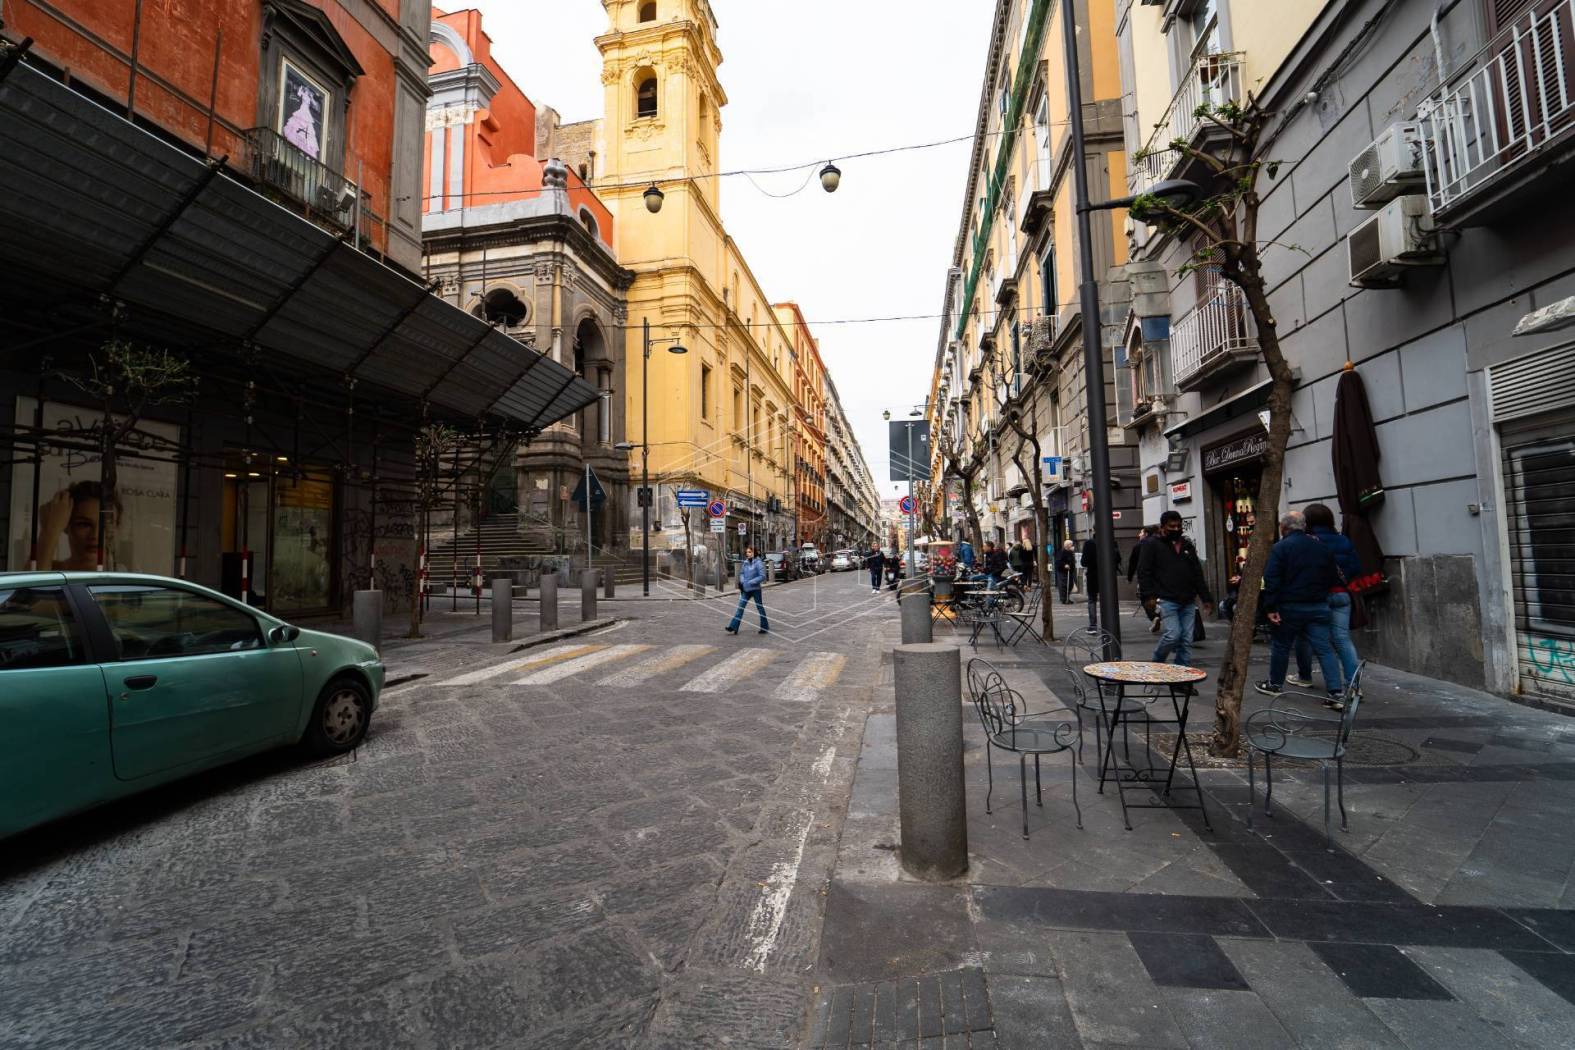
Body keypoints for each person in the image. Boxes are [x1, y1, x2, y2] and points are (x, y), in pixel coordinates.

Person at [1256, 510, 1347, 708]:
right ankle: (1336, 693)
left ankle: (1275, 684)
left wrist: (1270, 607)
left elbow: (1272, 579)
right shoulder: (1320, 546)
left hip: (1290, 605)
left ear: (1283, 527)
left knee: (1281, 645)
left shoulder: (1280, 548)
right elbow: (1333, 576)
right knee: (1324, 649)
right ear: (1304, 526)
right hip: (1318, 605)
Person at [1292, 502, 1363, 691]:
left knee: (1306, 638)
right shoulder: (1343, 540)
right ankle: (1353, 685)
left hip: (1317, 597)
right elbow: (1356, 567)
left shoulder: (1307, 541)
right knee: (1342, 639)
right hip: (1342, 594)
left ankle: (1305, 676)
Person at [1138, 511, 1214, 666]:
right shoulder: (1151, 544)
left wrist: (1206, 598)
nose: (1176, 529)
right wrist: (1148, 596)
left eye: (1179, 526)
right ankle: (1157, 664)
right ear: (1162, 527)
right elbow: (1144, 571)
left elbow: (1196, 573)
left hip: (1188, 600)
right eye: (1171, 526)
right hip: (1167, 599)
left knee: (1186, 640)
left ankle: (1182, 673)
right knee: (1173, 635)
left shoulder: (1187, 545)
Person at [32, 480, 112, 571]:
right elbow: (32, 578)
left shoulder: (123, 574)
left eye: (106, 525)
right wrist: (49, 530)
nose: (95, 535)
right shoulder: (51, 570)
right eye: (84, 524)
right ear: (66, 524)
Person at [726, 545, 769, 634]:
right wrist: (742, 581)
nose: (748, 553)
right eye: (747, 552)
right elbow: (742, 573)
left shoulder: (758, 563)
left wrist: (751, 582)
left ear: (754, 553)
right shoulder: (745, 562)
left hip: (756, 589)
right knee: (740, 608)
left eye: (750, 552)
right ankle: (733, 627)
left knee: (760, 608)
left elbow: (762, 576)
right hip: (746, 589)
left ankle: (764, 627)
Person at [1127, 525, 1162, 633]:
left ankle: (1154, 617)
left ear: (1146, 534)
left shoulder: (1139, 546)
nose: (1139, 535)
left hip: (1145, 578)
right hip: (1160, 577)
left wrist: (1129, 577)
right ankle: (1159, 614)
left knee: (1145, 599)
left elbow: (1132, 563)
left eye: (1141, 533)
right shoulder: (1160, 543)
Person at [1081, 534, 1118, 628]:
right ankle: (1109, 624)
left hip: (1093, 576)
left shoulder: (1089, 543)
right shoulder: (1111, 542)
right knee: (1108, 599)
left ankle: (1093, 625)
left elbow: (1084, 562)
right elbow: (1118, 558)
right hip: (1108, 576)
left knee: (1092, 600)